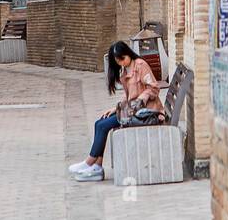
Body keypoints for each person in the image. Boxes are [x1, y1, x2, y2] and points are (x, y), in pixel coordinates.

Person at [69, 41, 165, 181]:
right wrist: (116, 109)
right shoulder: (125, 70)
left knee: (103, 126)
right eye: (117, 60)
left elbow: (154, 88)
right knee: (99, 122)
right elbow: (129, 96)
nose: (120, 63)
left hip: (146, 112)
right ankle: (97, 167)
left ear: (128, 54)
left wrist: (142, 99)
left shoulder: (140, 65)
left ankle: (89, 162)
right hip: (132, 110)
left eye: (122, 59)